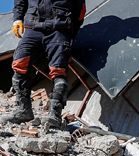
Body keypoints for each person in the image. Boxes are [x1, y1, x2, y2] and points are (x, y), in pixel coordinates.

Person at [7, 0, 85, 129]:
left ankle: (54, 116)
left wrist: (69, 31)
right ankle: (23, 111)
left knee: (58, 70)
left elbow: (80, 11)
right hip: (33, 26)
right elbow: (20, 1)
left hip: (59, 28)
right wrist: (17, 19)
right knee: (19, 63)